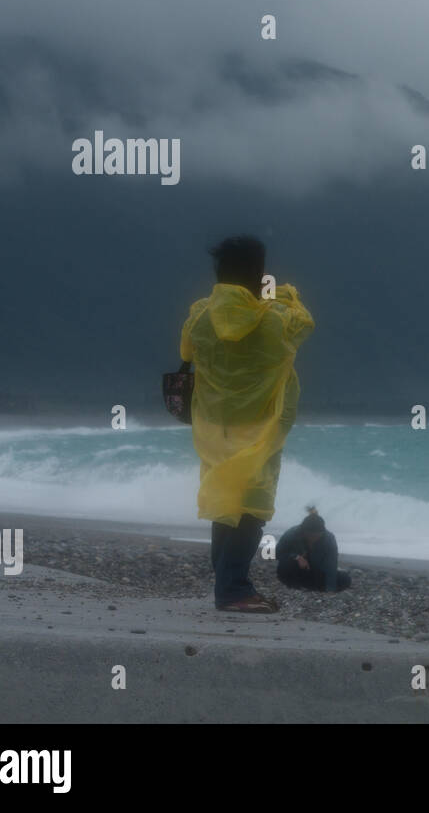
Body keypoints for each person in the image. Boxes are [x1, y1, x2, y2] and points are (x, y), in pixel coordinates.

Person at [180, 235, 314, 613]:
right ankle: (234, 589)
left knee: (225, 500)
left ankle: (226, 579)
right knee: (253, 505)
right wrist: (283, 295)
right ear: (259, 274)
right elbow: (304, 324)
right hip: (260, 427)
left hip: (213, 425)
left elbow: (186, 350)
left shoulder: (200, 317)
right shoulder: (275, 321)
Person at [276, 508, 351, 592]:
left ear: (322, 532)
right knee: (285, 566)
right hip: (296, 569)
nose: (313, 539)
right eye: (310, 535)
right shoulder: (292, 533)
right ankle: (297, 587)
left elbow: (331, 564)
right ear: (303, 531)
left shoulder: (329, 538)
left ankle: (311, 587)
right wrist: (296, 557)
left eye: (317, 536)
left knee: (345, 579)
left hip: (317, 571)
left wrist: (330, 589)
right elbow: (278, 553)